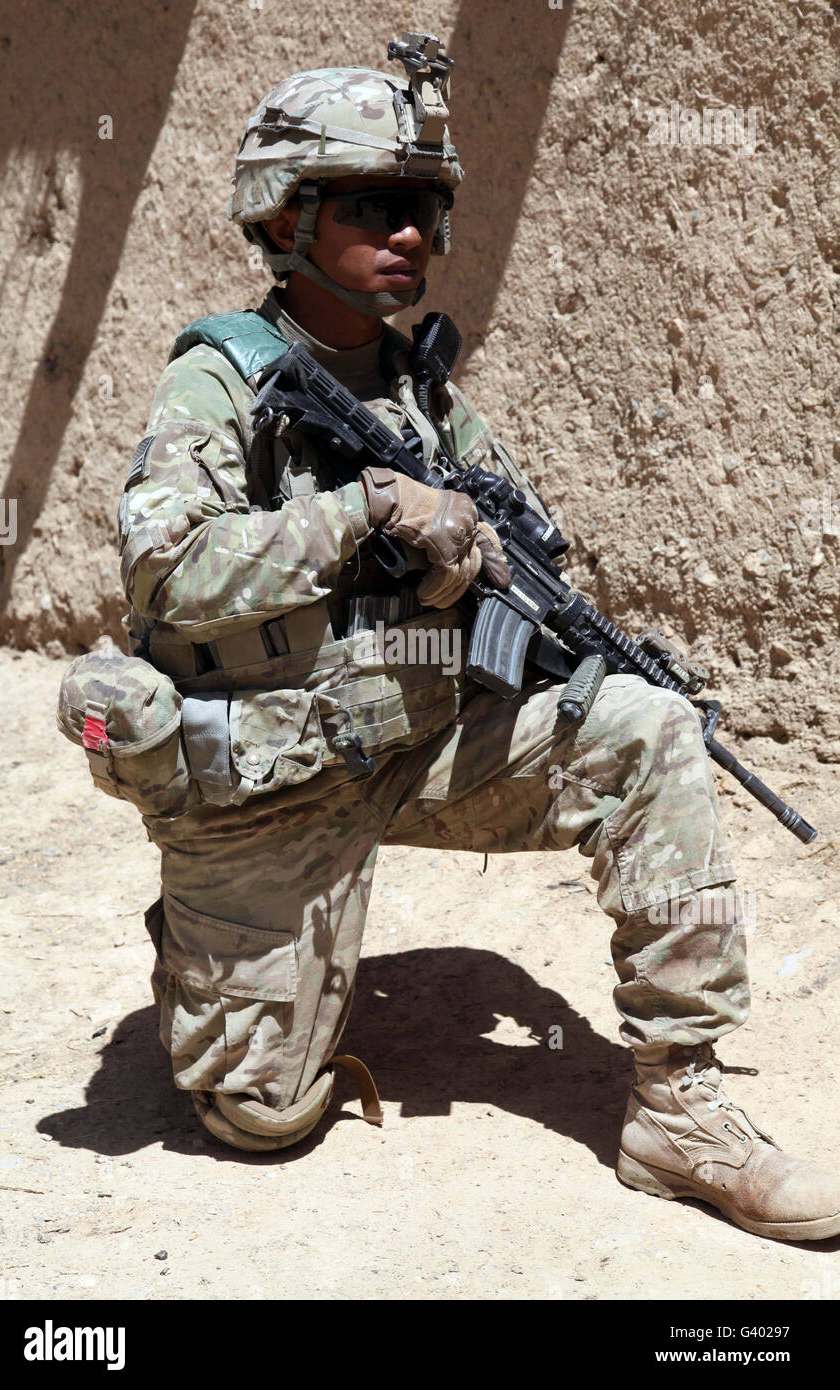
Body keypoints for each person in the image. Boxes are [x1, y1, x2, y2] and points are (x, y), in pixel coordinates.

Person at [89, 31, 839, 1240]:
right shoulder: (219, 384)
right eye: (375, 206)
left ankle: (678, 1107)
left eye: (425, 212)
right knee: (255, 1122)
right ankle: (214, 942)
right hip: (276, 777)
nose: (410, 237)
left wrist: (485, 575)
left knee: (642, 725)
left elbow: (523, 541)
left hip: (425, 736)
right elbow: (166, 575)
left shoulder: (425, 392)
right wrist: (366, 510)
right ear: (282, 218)